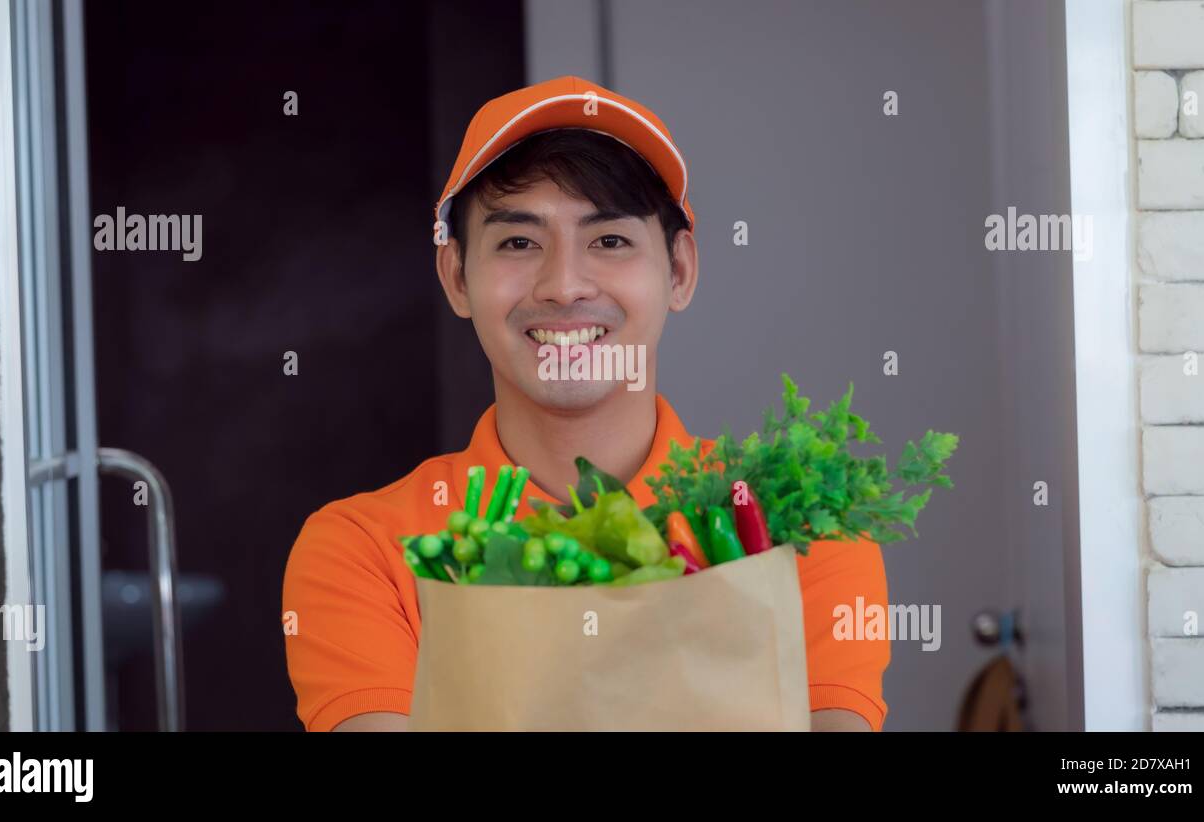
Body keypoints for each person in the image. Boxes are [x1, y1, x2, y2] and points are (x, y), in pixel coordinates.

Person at [283, 75, 889, 732]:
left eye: (609, 240)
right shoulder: (363, 551)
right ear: (457, 277)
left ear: (679, 271)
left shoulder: (800, 529)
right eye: (518, 242)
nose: (565, 285)